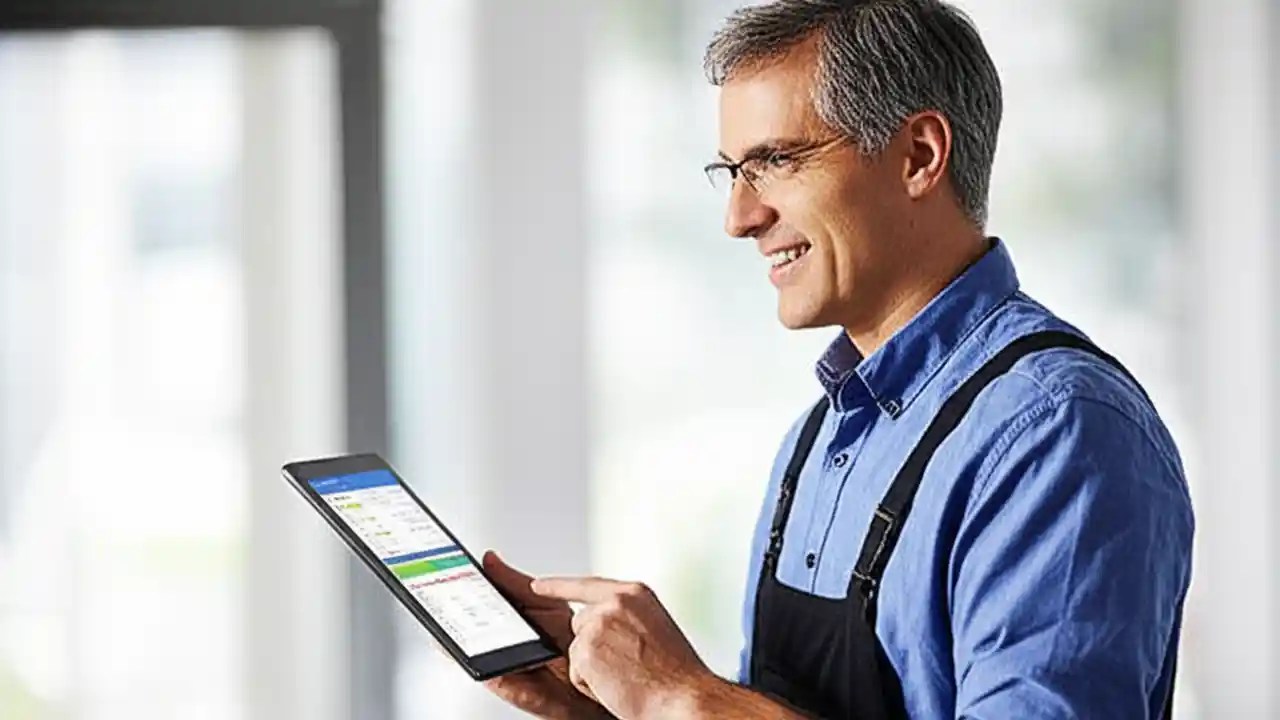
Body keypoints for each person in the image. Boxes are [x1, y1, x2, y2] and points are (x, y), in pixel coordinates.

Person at [482, 1, 1194, 718]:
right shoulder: (817, 441)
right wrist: (612, 708)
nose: (739, 218)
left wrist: (683, 697)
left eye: (776, 161)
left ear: (919, 156)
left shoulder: (1057, 433)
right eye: (731, 171)